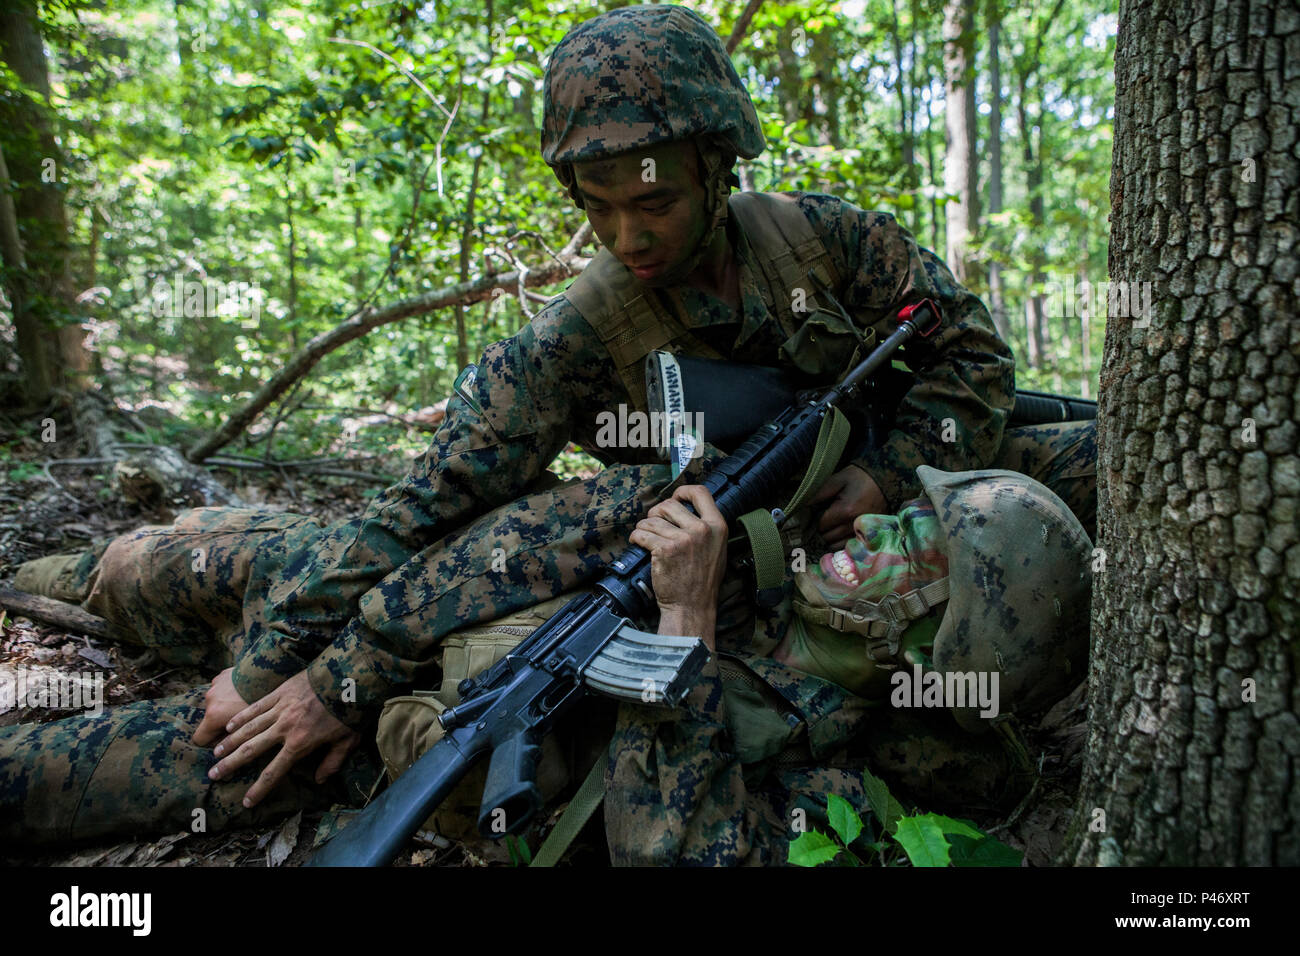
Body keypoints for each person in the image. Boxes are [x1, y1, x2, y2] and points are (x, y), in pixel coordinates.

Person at [0, 4, 1095, 859]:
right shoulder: (579, 335)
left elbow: (968, 361)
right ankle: (62, 567)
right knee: (206, 565)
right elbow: (436, 503)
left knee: (229, 751)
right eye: (595, 203)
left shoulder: (829, 249)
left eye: (652, 201)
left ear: (718, 164)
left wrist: (885, 471)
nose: (627, 233)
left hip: (625, 606)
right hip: (528, 565)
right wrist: (309, 667)